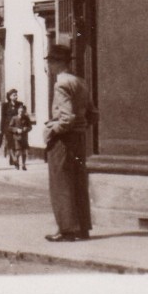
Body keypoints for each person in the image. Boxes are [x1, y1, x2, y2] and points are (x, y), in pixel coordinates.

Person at [42, 43, 95, 242]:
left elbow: (66, 117)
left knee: (61, 184)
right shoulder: (80, 82)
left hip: (63, 140)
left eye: (50, 62)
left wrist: (50, 131)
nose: (50, 66)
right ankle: (82, 228)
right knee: (78, 183)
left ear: (57, 63)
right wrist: (81, 127)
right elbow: (93, 114)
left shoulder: (61, 84)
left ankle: (66, 229)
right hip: (78, 139)